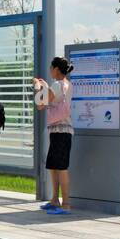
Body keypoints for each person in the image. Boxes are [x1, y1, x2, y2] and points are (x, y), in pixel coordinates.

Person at [34, 56, 74, 214]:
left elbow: (40, 104)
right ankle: (54, 199)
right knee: (53, 166)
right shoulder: (66, 84)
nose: (50, 70)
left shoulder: (57, 84)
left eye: (51, 67)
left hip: (60, 131)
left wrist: (38, 87)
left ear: (56, 69)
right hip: (60, 131)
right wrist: (45, 87)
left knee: (61, 167)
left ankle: (66, 204)